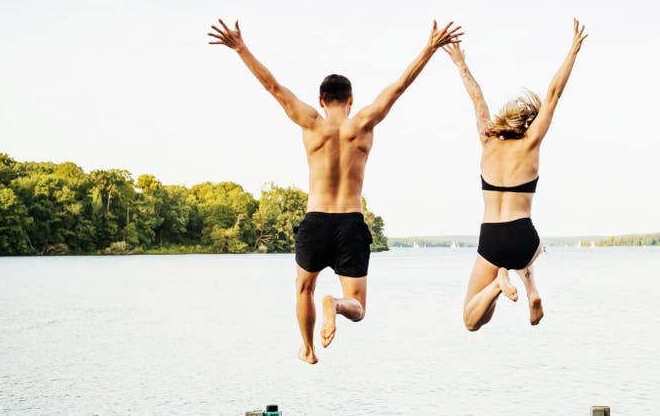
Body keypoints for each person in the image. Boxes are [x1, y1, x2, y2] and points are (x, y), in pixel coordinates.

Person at [208, 18, 463, 363]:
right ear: (351, 99)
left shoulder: (311, 121)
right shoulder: (363, 122)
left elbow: (273, 86)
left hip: (316, 222)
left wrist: (240, 48)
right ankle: (336, 305)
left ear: (321, 99)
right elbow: (399, 87)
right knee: (357, 307)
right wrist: (430, 48)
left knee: (304, 287)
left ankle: (309, 349)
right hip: (350, 222)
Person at [443, 19, 587, 331]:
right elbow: (553, 94)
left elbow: (477, 97)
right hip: (525, 236)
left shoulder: (487, 141)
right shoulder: (531, 144)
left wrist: (460, 62)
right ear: (527, 124)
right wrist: (573, 51)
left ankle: (497, 285)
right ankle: (532, 289)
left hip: (492, 237)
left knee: (472, 320)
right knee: (533, 251)